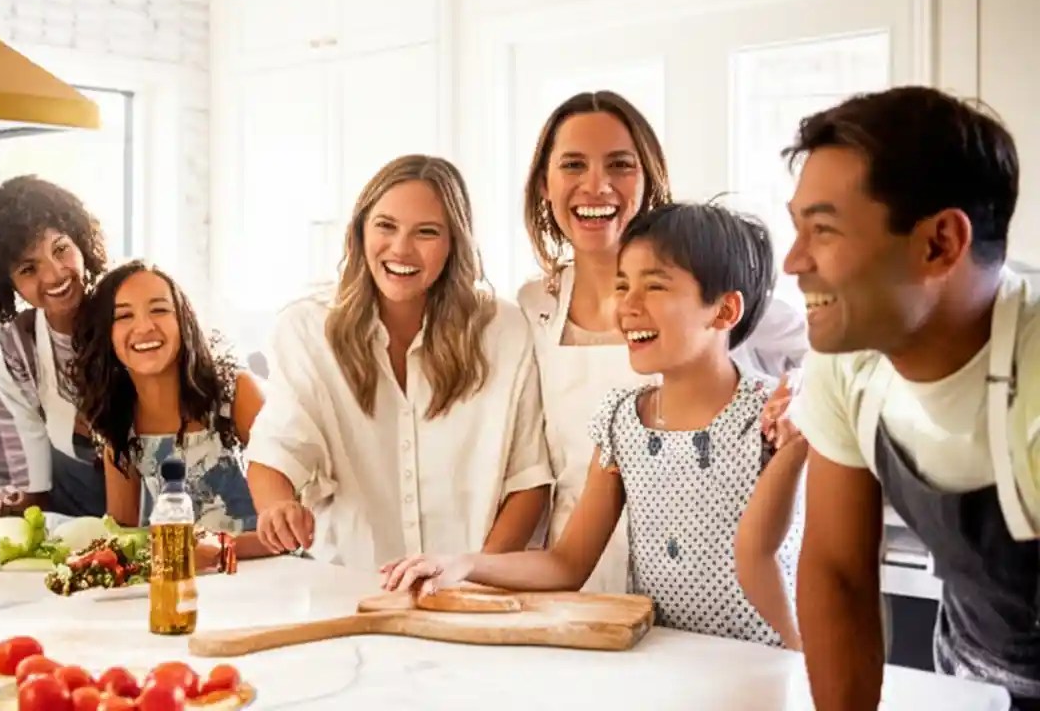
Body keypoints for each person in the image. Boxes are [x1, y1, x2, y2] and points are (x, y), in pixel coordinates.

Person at [383, 202, 806, 649]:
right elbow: (567, 563)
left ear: (723, 312)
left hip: (765, 665)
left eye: (655, 286)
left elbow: (768, 560)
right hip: (662, 664)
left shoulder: (775, 418)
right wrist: (464, 564)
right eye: (623, 285)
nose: (628, 305)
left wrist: (804, 663)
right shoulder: (623, 421)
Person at [785, 86, 1040, 709]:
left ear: (940, 244)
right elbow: (838, 573)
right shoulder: (847, 362)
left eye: (822, 230)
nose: (793, 261)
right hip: (971, 677)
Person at [516, 90, 808, 592]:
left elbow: (835, 353)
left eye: (620, 165)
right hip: (574, 581)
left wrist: (799, 396)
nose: (596, 185)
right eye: (573, 165)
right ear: (545, 184)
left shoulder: (705, 289)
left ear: (649, 177)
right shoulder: (530, 306)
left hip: (706, 589)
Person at [244, 154, 554, 571]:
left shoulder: (505, 329)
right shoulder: (306, 329)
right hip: (349, 592)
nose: (401, 248)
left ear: (454, 244)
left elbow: (528, 480)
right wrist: (278, 507)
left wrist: (472, 575)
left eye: (426, 232)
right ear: (359, 232)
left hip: (473, 596)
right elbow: (278, 447)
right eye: (385, 226)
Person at [68, 260, 272, 561]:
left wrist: (220, 552)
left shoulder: (235, 394)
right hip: (184, 585)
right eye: (124, 315)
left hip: (270, 578)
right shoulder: (120, 422)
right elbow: (123, 533)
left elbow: (295, 529)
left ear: (184, 321)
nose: (145, 326)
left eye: (159, 310)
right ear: (105, 336)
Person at [0, 175, 108, 526]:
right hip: (72, 535)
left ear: (80, 238)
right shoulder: (10, 354)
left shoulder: (127, 318)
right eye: (28, 268)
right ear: (6, 284)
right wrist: (1, 506)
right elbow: (30, 488)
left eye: (60, 249)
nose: (55, 275)